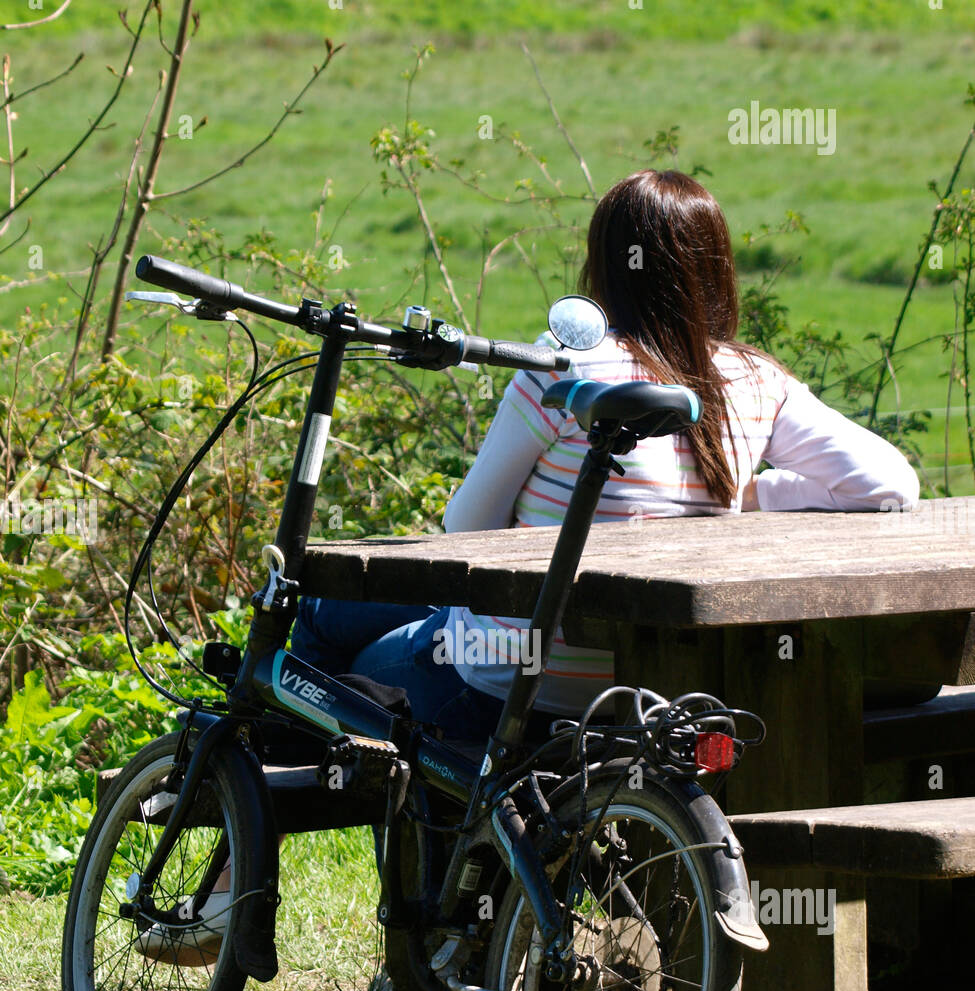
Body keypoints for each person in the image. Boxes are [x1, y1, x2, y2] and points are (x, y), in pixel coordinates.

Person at [292, 167, 920, 735]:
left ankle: (288, 767)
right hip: (658, 693)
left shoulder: (564, 369)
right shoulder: (754, 381)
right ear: (713, 271)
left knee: (322, 621)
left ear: (605, 268)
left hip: (510, 688)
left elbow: (465, 533)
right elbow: (890, 485)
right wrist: (754, 495)